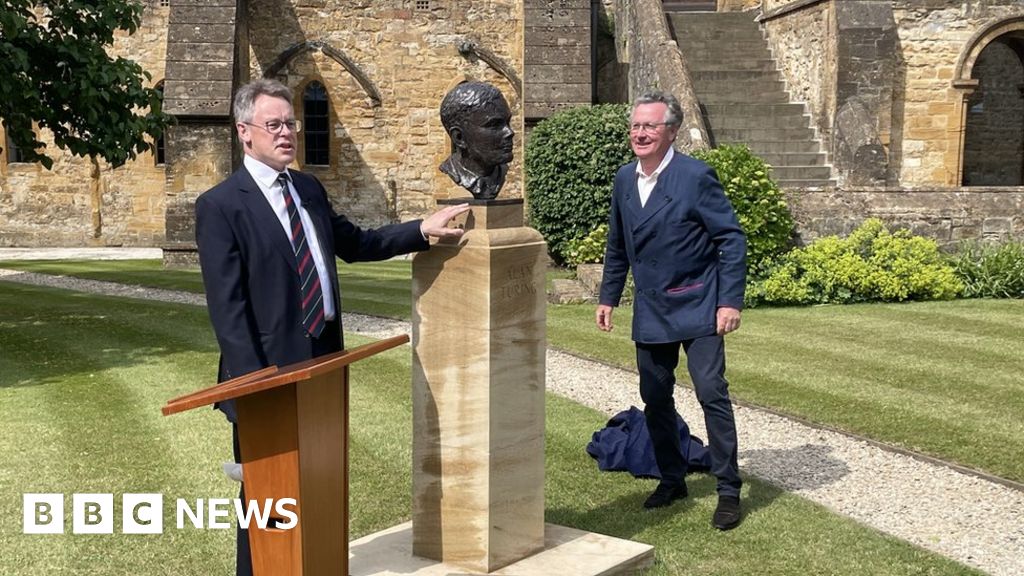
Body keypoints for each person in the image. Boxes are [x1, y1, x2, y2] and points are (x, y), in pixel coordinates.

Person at [194, 78, 469, 576]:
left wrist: (421, 231)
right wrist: (258, 385)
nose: (286, 133)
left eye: (290, 123)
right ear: (244, 132)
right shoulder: (220, 206)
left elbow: (356, 243)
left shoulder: (307, 189)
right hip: (266, 376)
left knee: (316, 484)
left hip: (322, 364)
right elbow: (228, 311)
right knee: (266, 496)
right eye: (273, 124)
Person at [595, 91, 747, 530]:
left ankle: (728, 490)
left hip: (699, 304)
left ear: (672, 132)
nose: (640, 133)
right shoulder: (625, 179)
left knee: (711, 394)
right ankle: (671, 477)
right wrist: (608, 296)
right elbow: (617, 245)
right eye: (636, 126)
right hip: (651, 310)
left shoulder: (695, 176)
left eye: (650, 126)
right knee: (655, 398)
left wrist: (729, 301)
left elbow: (731, 240)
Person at [438, 81, 515, 200]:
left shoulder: (501, 172)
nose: (510, 132)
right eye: (494, 125)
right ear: (459, 138)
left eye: (507, 122)